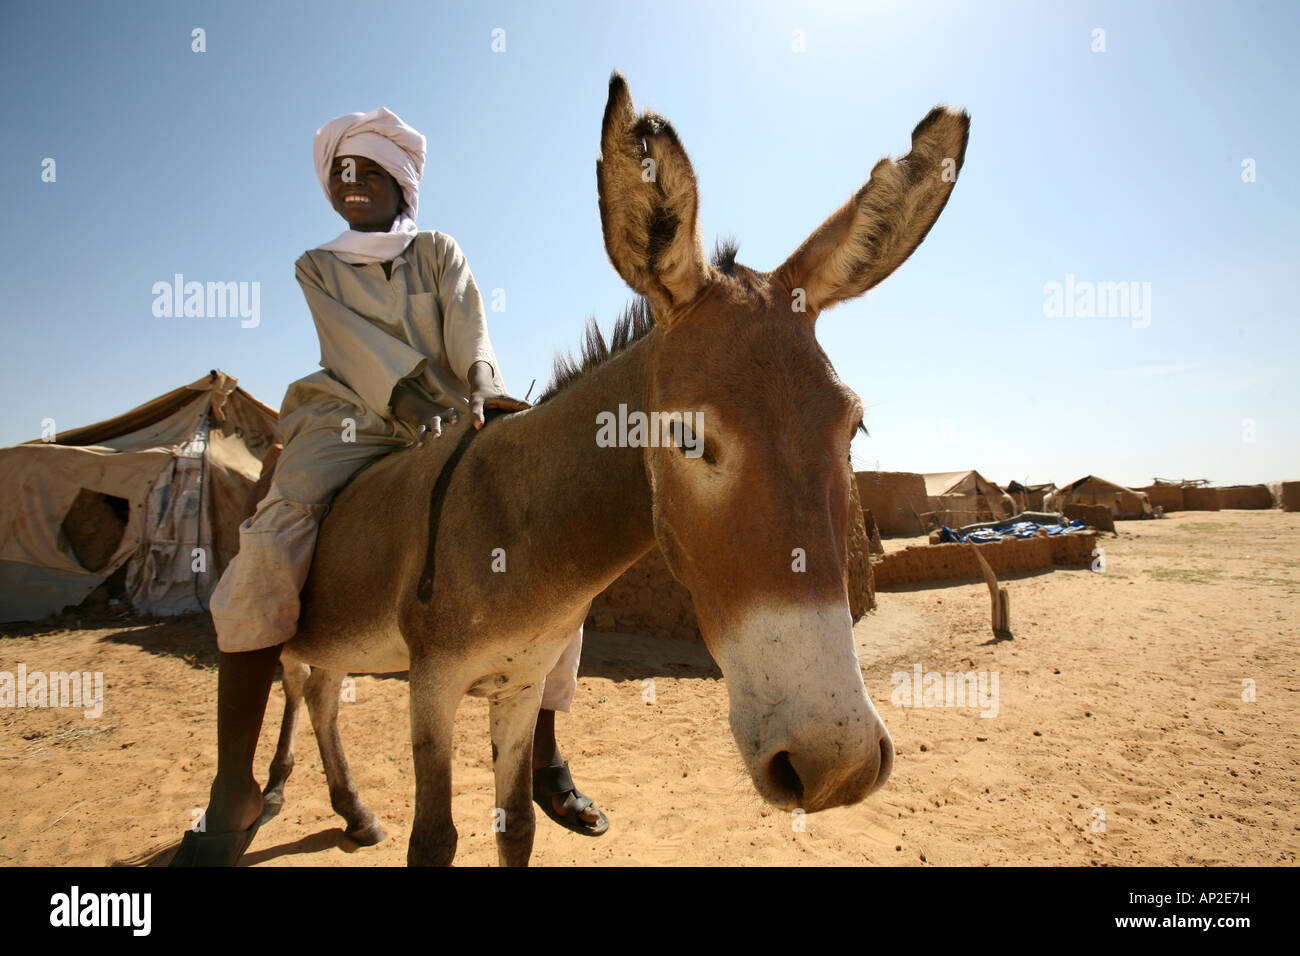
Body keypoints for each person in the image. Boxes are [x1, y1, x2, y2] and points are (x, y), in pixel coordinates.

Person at [172, 108, 605, 866]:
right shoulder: (318, 264)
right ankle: (234, 787)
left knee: (550, 546)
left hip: (450, 412)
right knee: (272, 543)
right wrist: (426, 405)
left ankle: (542, 751)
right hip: (346, 423)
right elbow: (359, 351)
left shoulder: (437, 251)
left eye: (369, 172)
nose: (354, 186)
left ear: (402, 183)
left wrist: (481, 385)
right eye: (344, 175)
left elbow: (470, 325)